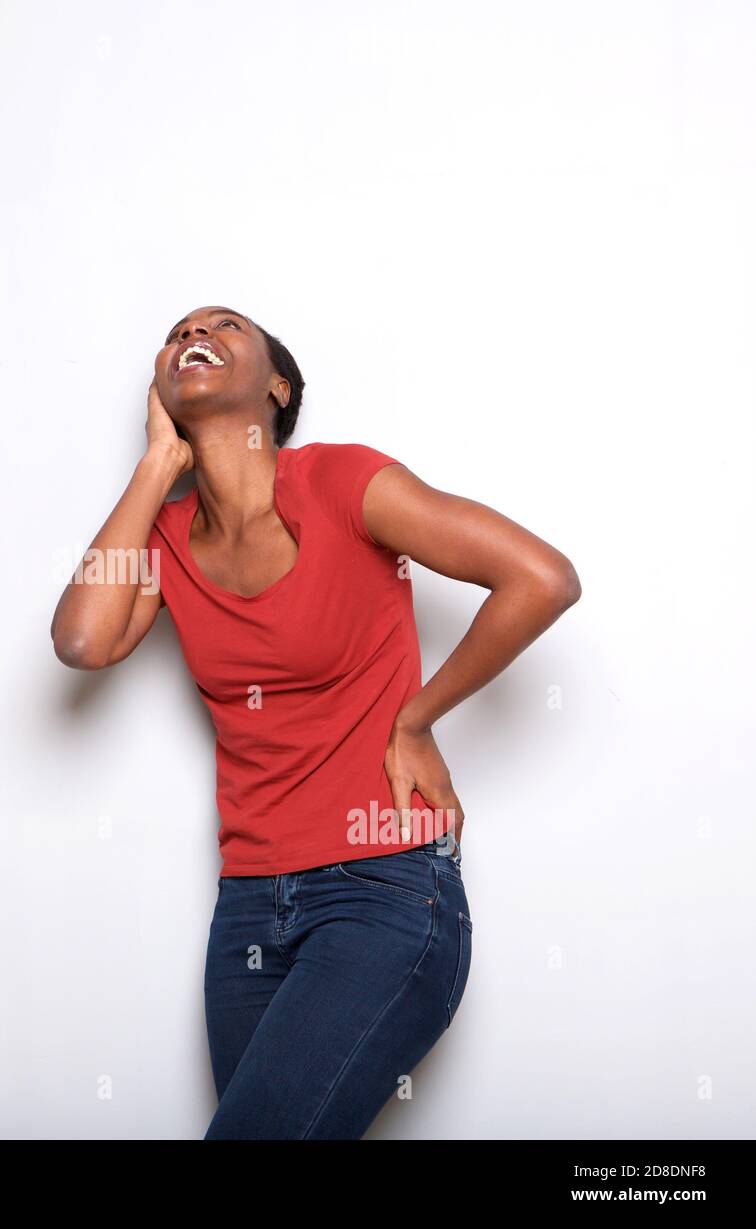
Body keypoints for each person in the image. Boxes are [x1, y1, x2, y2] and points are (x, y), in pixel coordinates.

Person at [50, 305, 581, 1139]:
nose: (197, 331)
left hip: (386, 891)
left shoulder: (343, 483)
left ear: (277, 385)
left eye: (227, 325)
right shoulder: (165, 540)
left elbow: (541, 577)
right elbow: (82, 641)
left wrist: (416, 718)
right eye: (179, 328)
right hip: (249, 912)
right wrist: (157, 465)